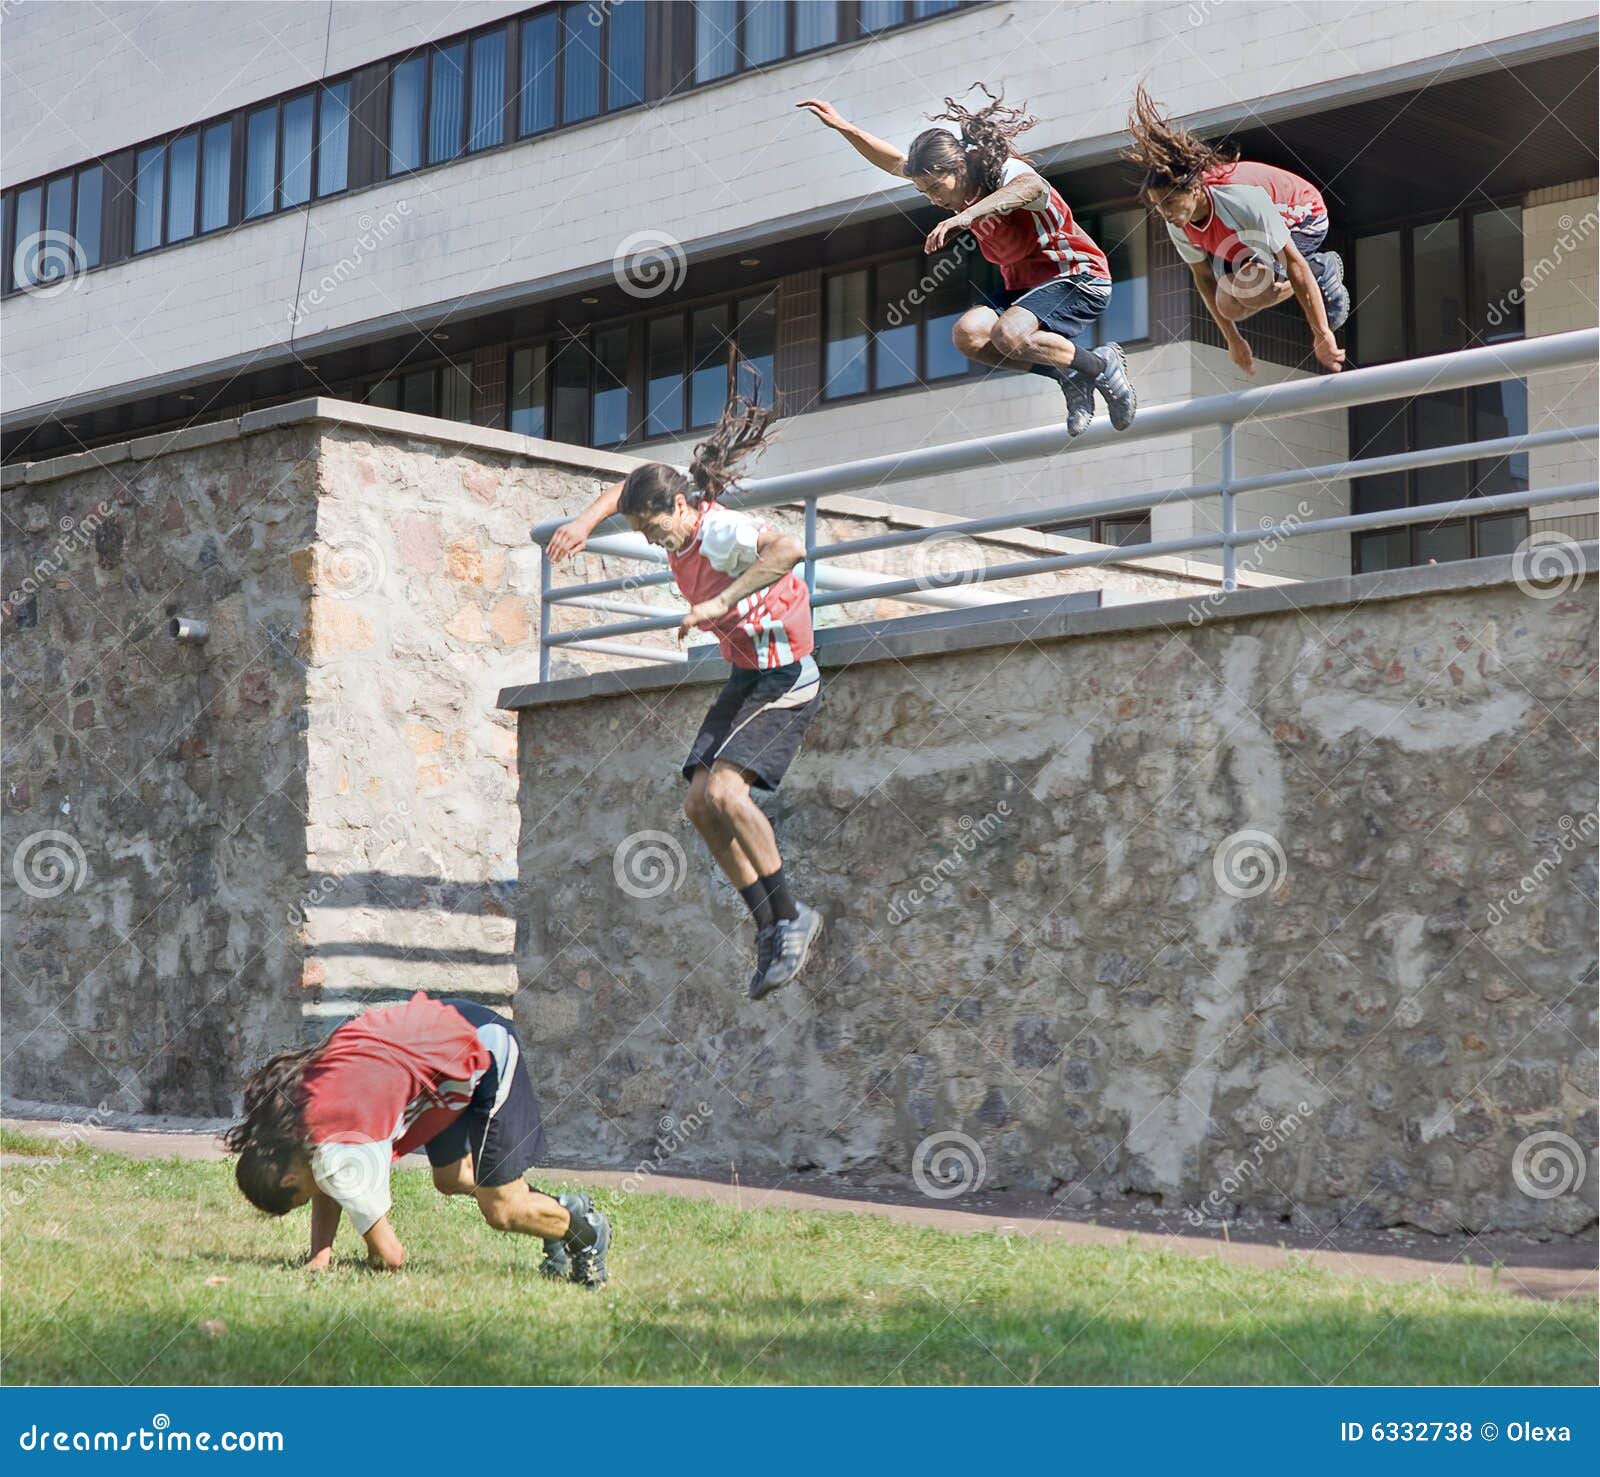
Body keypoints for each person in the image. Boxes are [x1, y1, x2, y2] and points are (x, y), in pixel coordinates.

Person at [548, 369, 822, 1000]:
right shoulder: (665, 508)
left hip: (786, 676)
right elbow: (622, 491)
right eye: (642, 533)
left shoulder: (719, 530)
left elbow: (788, 552)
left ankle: (793, 916)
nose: (651, 541)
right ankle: (767, 928)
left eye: (655, 530)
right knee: (698, 805)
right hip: (747, 673)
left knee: (727, 794)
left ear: (680, 507)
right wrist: (585, 524)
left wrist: (715, 604)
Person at [798, 85, 1137, 439]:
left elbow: (1032, 187)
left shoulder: (1001, 171)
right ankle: (1068, 372)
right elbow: (893, 161)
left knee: (1009, 334)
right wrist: (845, 128)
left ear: (958, 168)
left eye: (935, 188)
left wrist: (965, 217)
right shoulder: (948, 181)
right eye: (924, 192)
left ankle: (1101, 365)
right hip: (1024, 287)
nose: (933, 200)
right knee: (969, 336)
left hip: (1078, 276)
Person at [224, 991, 611, 1288]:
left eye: (302, 1198)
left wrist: (374, 1256)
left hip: (482, 1047)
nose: (319, 1191)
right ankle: (561, 1208)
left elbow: (391, 1256)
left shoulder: (334, 1149)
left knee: (504, 1211)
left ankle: (587, 1231)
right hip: (440, 1054)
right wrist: (320, 1257)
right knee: (453, 1178)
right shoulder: (304, 1111)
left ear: (289, 1180)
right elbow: (328, 1177)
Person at [1126, 84, 1349, 376]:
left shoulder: (1238, 199)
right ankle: (1314, 271)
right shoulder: (1177, 224)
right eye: (1157, 206)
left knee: (1249, 287)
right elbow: (1204, 278)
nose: (1164, 212)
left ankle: (1321, 268)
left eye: (1169, 201)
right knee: (1229, 304)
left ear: (1194, 190)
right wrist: (1234, 340)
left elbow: (1293, 262)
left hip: (1303, 214)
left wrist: (1321, 334)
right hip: (1251, 238)